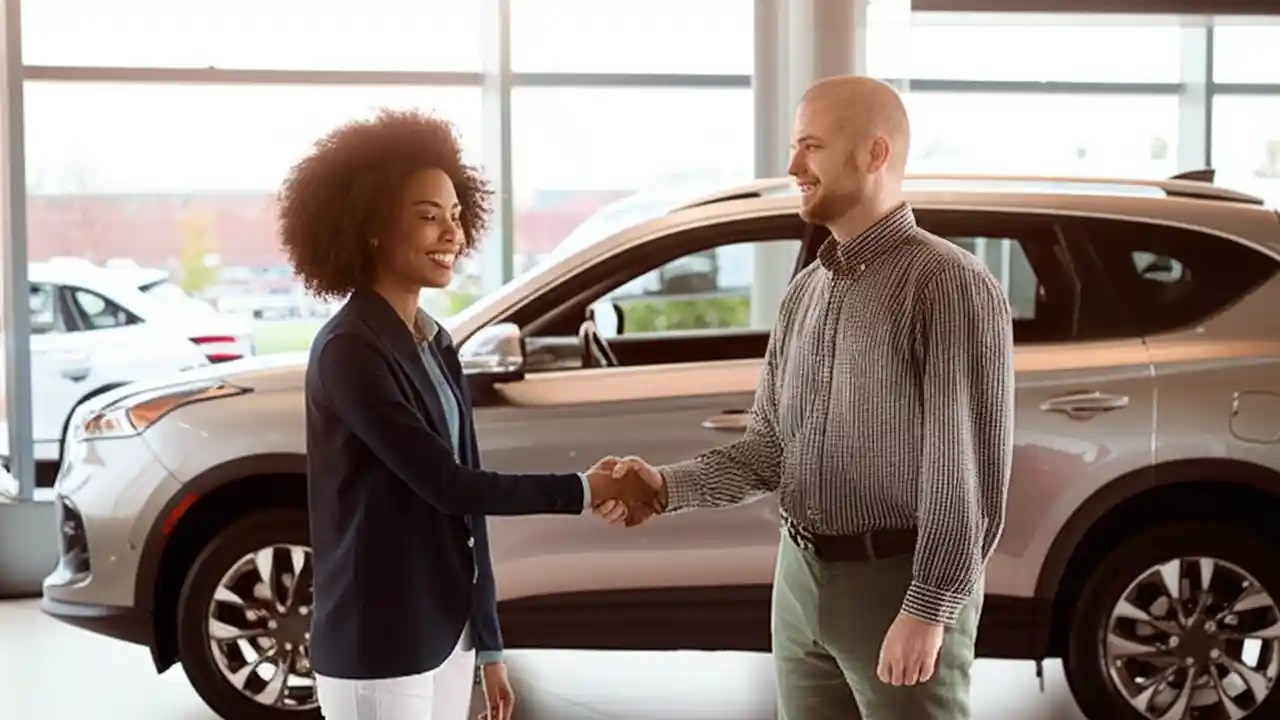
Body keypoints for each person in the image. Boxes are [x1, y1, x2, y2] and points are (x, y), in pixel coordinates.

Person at [598, 76, 1015, 719]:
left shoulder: (949, 284)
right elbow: (769, 450)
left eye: (811, 146)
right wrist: (663, 487)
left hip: (897, 585)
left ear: (874, 154)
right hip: (799, 579)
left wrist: (929, 607)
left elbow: (967, 474)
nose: (793, 166)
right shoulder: (806, 294)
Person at [279, 109, 658, 720]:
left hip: (444, 631)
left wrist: (488, 642)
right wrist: (589, 490)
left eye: (456, 216)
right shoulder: (349, 350)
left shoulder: (435, 341)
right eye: (428, 217)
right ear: (372, 224)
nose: (450, 234)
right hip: (378, 640)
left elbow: (467, 514)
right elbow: (447, 485)